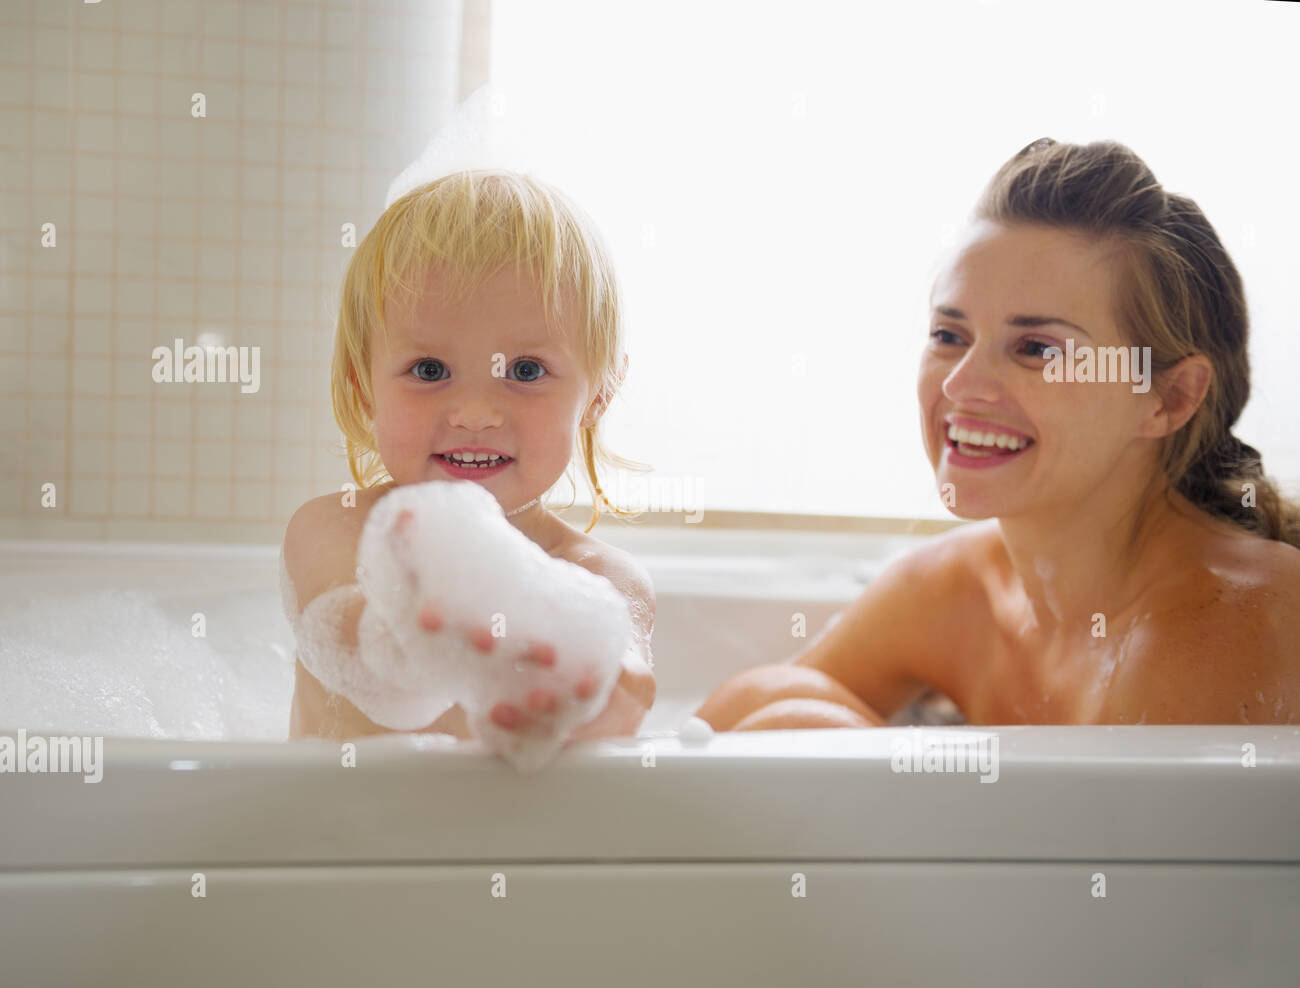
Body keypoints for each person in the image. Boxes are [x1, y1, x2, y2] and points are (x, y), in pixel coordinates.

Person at [697, 139, 1300, 730]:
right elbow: (730, 733)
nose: (961, 385)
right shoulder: (956, 590)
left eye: (1035, 348)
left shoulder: (1237, 626)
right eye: (949, 335)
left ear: (1170, 398)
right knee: (772, 700)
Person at [283, 170, 655, 743]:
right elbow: (348, 635)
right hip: (335, 830)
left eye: (526, 372)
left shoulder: (600, 578)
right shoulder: (335, 529)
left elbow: (626, 683)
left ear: (598, 395)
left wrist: (599, 692)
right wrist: (416, 640)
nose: (476, 412)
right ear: (364, 388)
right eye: (429, 371)